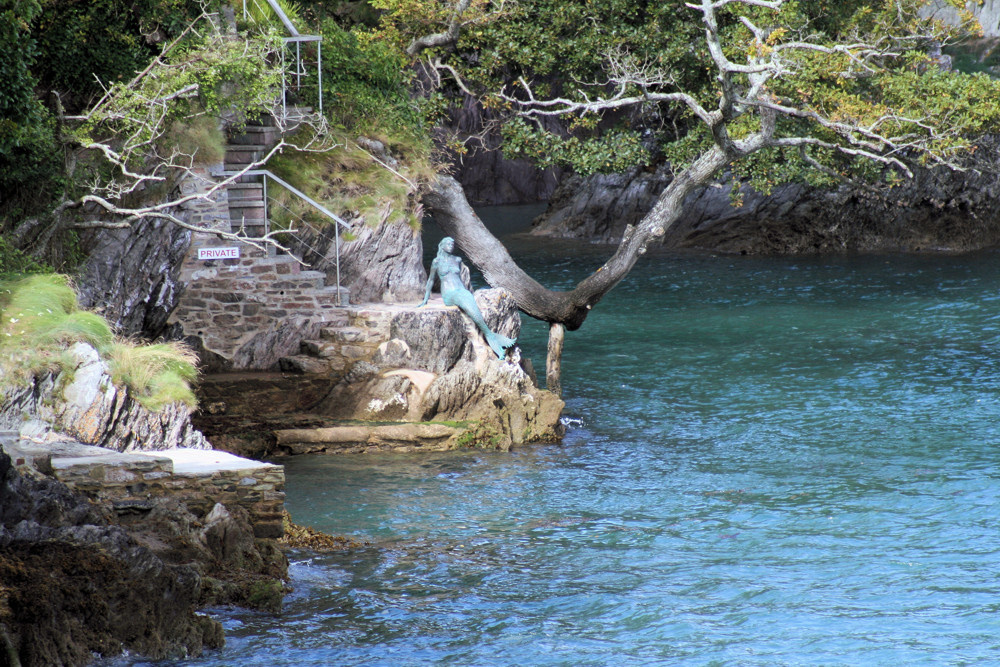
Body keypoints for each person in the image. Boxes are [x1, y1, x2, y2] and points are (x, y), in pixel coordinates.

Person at [419, 237, 515, 360]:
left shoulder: (457, 260)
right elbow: (431, 280)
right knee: (465, 299)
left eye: (452, 244)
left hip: (461, 290)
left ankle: (490, 336)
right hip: (449, 293)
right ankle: (490, 336)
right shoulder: (437, 262)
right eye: (448, 243)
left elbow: (461, 278)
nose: (451, 246)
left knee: (469, 300)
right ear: (442, 245)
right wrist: (425, 300)